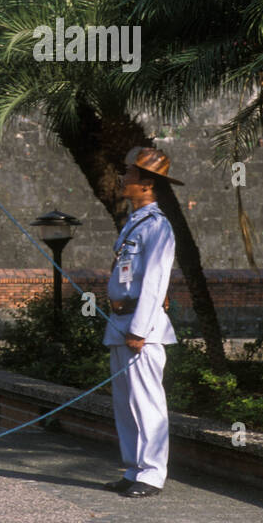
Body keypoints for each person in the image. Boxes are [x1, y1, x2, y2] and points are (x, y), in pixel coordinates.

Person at [103, 146, 179, 499]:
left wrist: (140, 329)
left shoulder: (158, 226)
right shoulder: (134, 222)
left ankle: (151, 474)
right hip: (122, 321)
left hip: (140, 327)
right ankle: (134, 468)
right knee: (125, 402)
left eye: (130, 176)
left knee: (147, 402)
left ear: (146, 184)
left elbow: (155, 281)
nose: (124, 179)